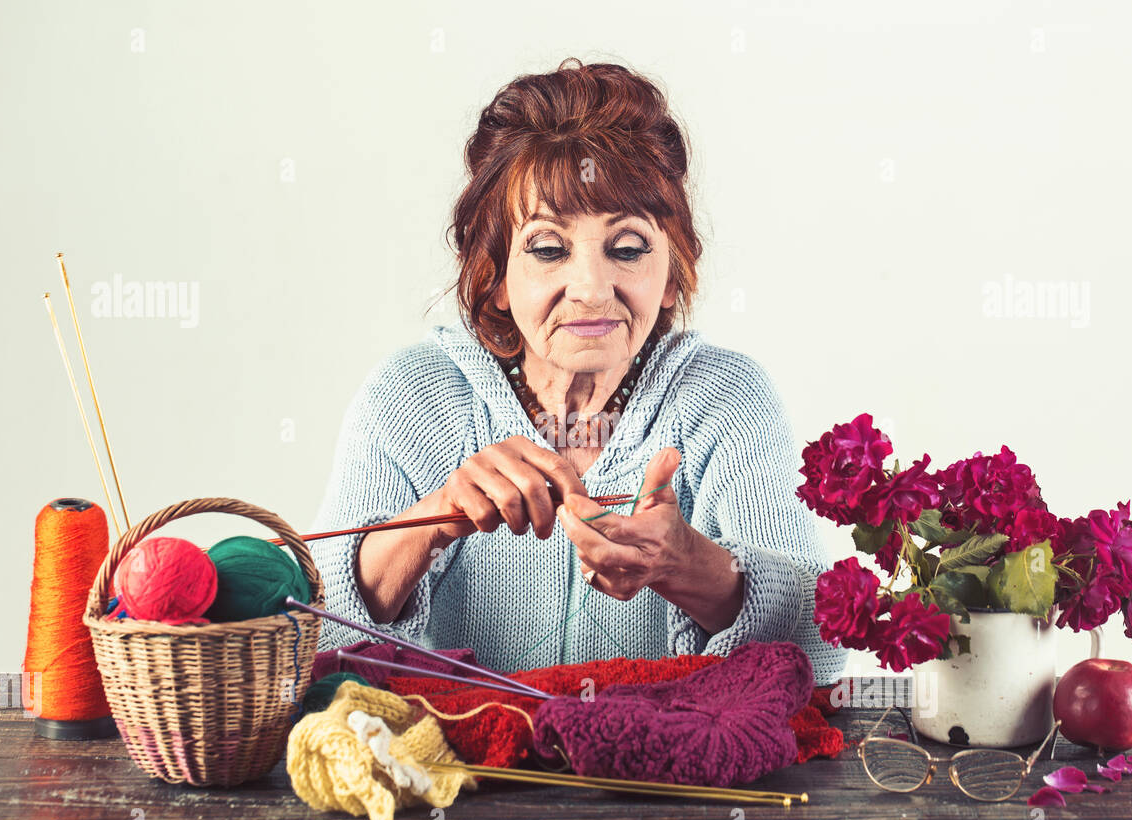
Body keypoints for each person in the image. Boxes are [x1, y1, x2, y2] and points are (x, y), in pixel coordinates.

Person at [309, 58, 847, 684]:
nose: (590, 289)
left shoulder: (728, 399)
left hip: (656, 779)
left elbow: (824, 649)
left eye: (626, 249)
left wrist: (690, 566)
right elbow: (308, 633)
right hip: (462, 772)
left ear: (672, 274)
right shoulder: (410, 396)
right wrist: (432, 521)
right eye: (546, 248)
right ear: (497, 276)